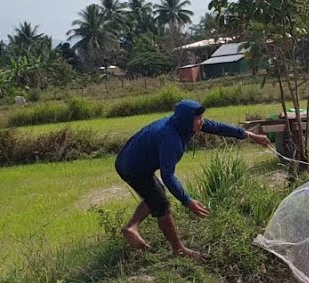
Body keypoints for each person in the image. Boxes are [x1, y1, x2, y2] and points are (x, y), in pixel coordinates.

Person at [114, 99, 272, 261]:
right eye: (198, 118)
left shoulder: (183, 124)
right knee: (161, 204)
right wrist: (187, 201)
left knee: (155, 194)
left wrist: (250, 135)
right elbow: (168, 175)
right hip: (132, 167)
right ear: (186, 120)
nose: (202, 121)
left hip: (130, 159)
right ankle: (179, 249)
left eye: (202, 117)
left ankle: (131, 227)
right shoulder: (171, 139)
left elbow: (217, 127)